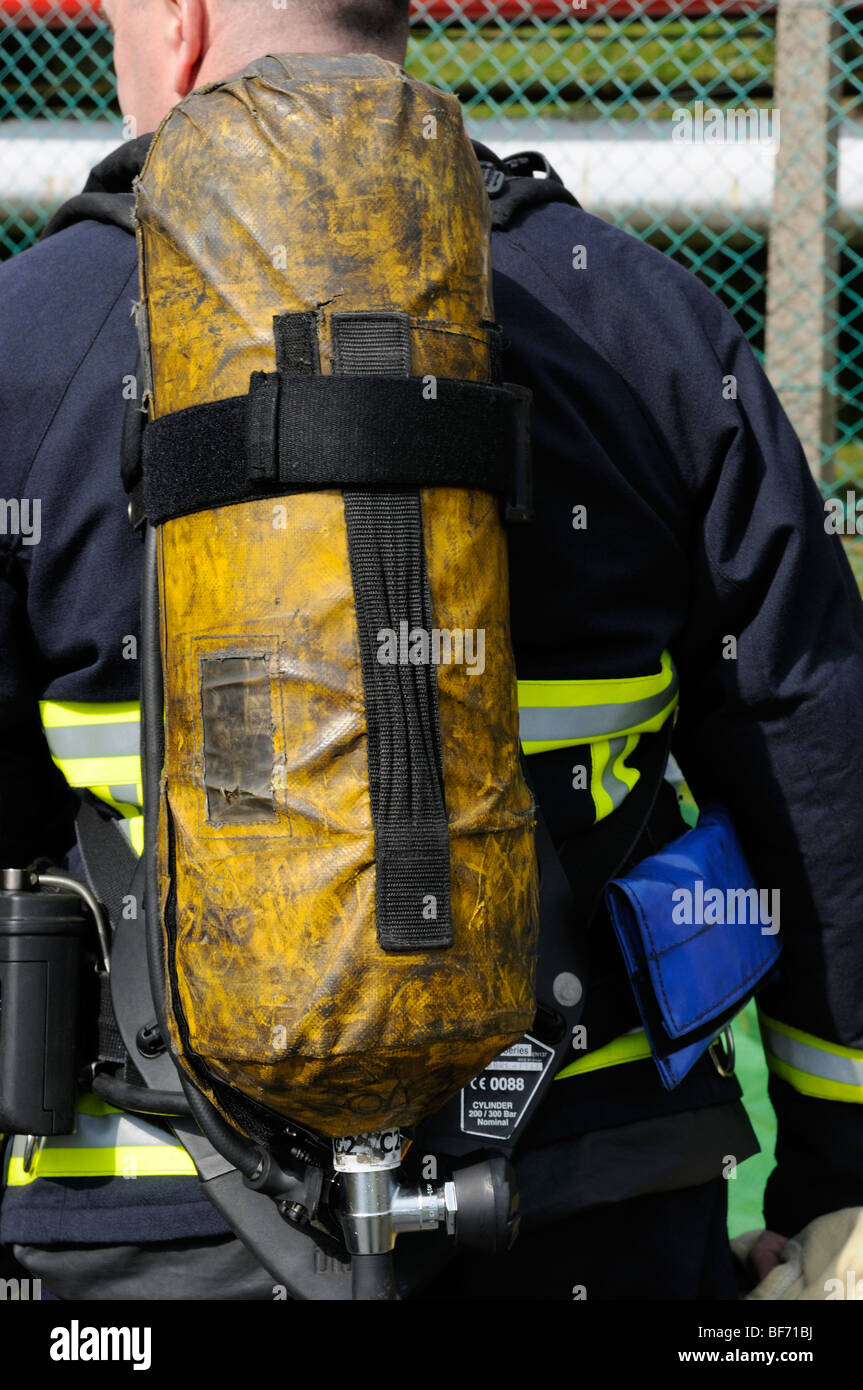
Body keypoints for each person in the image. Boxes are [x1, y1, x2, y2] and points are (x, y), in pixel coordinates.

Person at [1, 0, 862, 1302]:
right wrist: (832, 1204)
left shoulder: (26, 343)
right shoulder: (650, 331)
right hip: (586, 1207)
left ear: (175, 26)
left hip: (142, 1255)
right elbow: (821, 777)